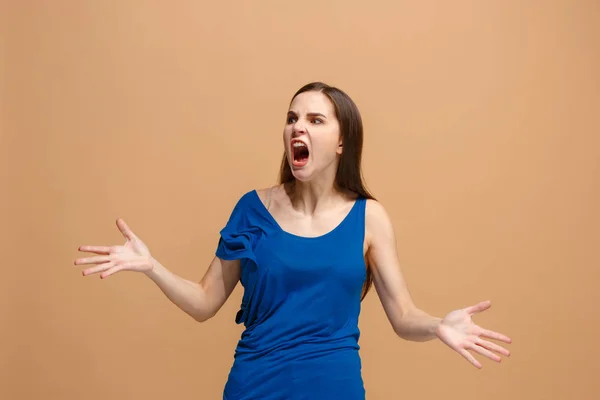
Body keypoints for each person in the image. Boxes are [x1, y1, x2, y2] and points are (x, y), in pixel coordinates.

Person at [74, 82, 512, 399]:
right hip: (255, 386)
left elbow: (403, 315)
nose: (296, 127)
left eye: (315, 119)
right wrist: (152, 267)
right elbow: (204, 303)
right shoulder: (252, 209)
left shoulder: (369, 217)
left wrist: (438, 326)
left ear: (342, 142)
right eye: (291, 118)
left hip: (334, 388)